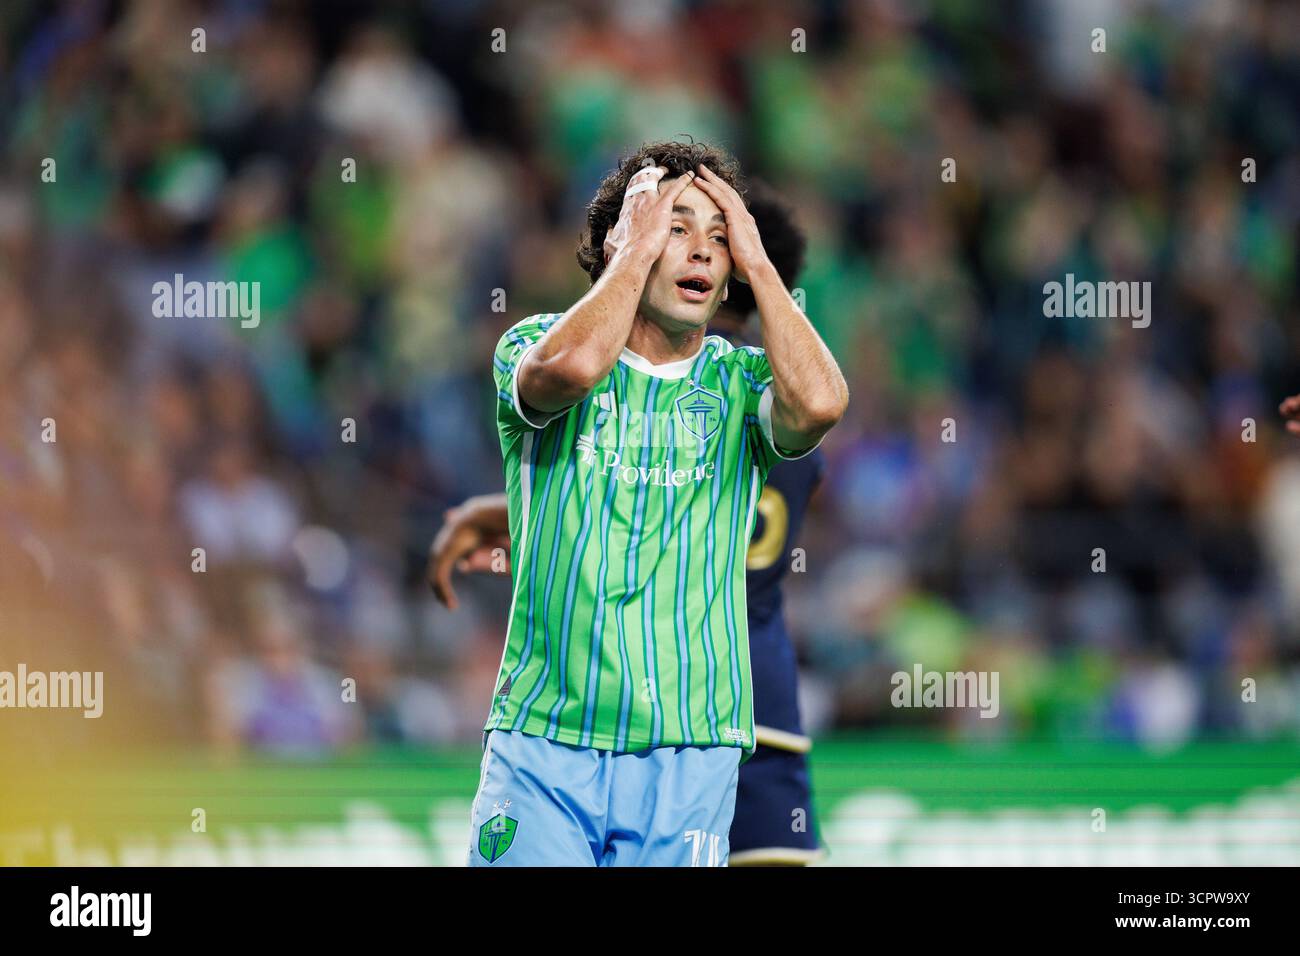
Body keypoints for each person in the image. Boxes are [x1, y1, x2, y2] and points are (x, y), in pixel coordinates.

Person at [455, 140, 847, 866]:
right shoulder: (533, 344)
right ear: (624, 239)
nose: (701, 250)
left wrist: (760, 267)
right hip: (545, 742)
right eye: (676, 226)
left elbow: (823, 404)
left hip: (691, 750)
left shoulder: (741, 382)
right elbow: (570, 370)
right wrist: (631, 254)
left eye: (719, 237)